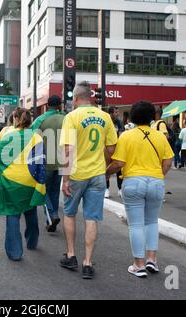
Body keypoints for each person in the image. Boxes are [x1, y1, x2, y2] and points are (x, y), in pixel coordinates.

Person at [107, 101, 174, 278]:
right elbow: (168, 162)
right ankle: (152, 259)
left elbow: (119, 163)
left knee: (136, 224)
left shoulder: (126, 136)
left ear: (133, 117)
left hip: (133, 182)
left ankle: (139, 264)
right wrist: (158, 175)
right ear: (152, 116)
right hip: (156, 181)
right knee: (152, 221)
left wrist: (105, 174)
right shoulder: (160, 136)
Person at [59, 81, 117, 279]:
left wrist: (65, 179)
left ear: (75, 98)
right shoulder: (105, 117)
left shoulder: (71, 117)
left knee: (69, 213)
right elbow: (111, 149)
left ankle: (71, 255)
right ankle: (88, 263)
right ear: (90, 97)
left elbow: (67, 149)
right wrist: (103, 166)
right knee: (91, 218)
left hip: (76, 174)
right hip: (97, 175)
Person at [0, 107, 46, 261]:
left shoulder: (7, 136)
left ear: (14, 118)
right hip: (30, 180)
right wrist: (40, 183)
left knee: (13, 214)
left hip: (11, 181)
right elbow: (40, 162)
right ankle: (32, 241)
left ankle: (15, 252)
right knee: (30, 210)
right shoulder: (37, 137)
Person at [31, 95, 65, 232]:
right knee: (55, 191)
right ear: (59, 106)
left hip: (45, 162)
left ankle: (52, 215)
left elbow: (32, 139)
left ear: (47, 105)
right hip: (62, 161)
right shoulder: (66, 118)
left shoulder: (40, 119)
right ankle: (52, 216)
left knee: (44, 190)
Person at [106, 106, 124, 199]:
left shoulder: (119, 122)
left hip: (117, 148)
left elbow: (121, 135)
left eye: (118, 112)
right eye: (116, 112)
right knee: (106, 168)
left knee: (119, 168)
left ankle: (120, 189)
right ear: (111, 113)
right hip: (106, 149)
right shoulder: (106, 121)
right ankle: (106, 189)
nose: (117, 114)